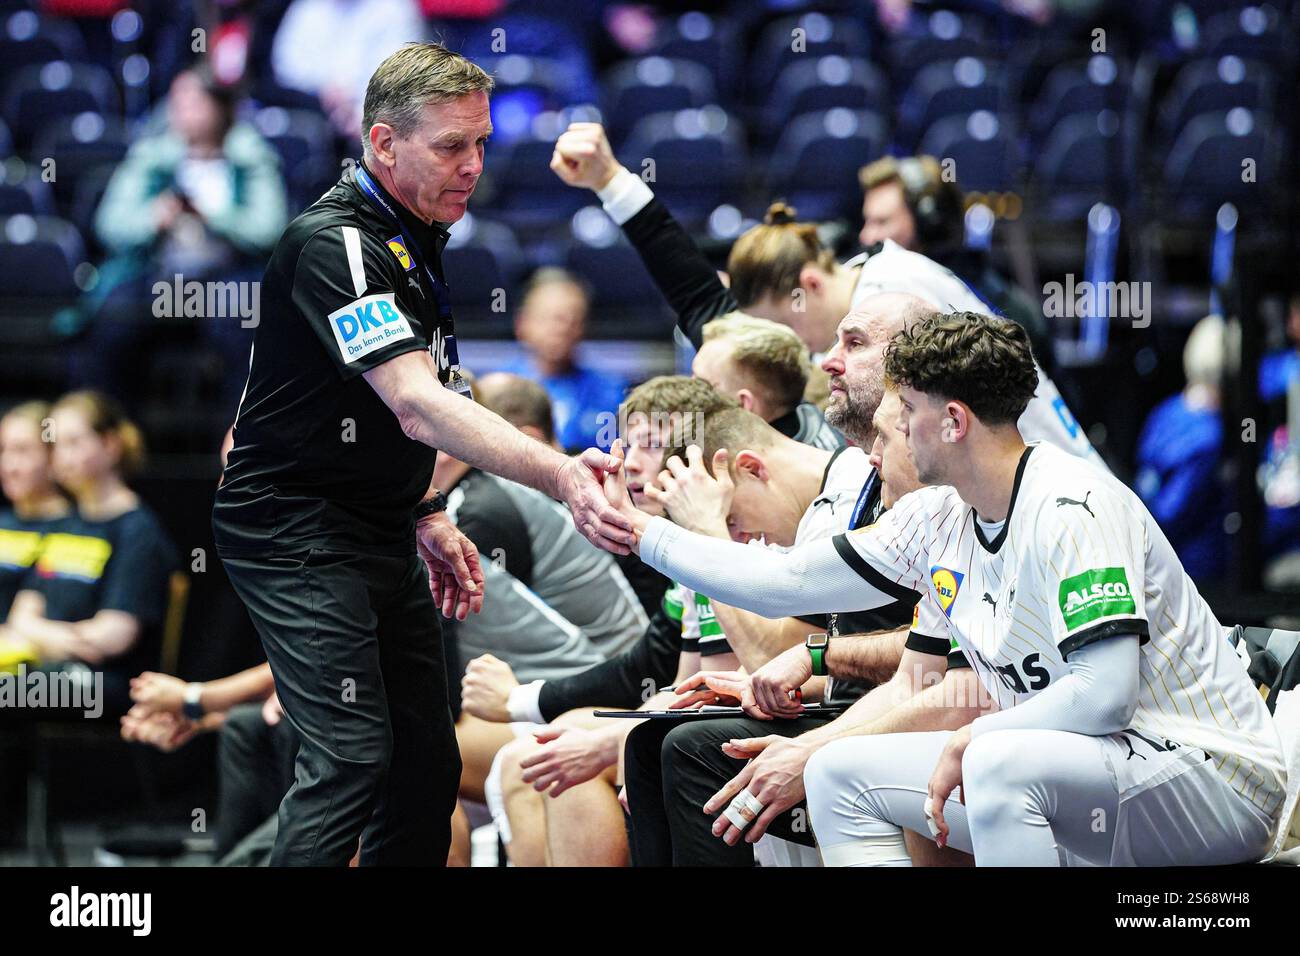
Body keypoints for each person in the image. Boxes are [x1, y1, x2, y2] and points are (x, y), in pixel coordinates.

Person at [601, 312, 1286, 867]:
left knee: (997, 758)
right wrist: (642, 532)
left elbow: (1104, 694)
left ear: (952, 421)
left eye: (903, 409)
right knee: (840, 774)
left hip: (1211, 777)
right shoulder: (939, 515)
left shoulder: (1072, 503)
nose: (887, 428)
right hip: (1088, 768)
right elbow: (787, 582)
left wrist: (979, 735)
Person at [212, 42, 633, 867]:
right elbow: (414, 402)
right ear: (382, 144)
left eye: (480, 144)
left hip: (377, 521)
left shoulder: (415, 230)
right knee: (348, 759)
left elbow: (412, 394)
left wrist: (426, 508)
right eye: (451, 146)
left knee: (425, 762)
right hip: (295, 527)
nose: (473, 165)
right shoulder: (339, 244)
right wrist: (558, 473)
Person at [549, 121, 1096, 464]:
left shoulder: (899, 300)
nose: (812, 356)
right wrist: (611, 182)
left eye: (783, 329)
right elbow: (702, 301)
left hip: (1054, 500)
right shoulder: (871, 275)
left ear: (807, 288)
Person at [549, 124, 841, 452]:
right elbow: (691, 286)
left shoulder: (820, 466)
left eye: (703, 388)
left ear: (746, 405)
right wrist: (608, 180)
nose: (692, 395)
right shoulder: (748, 376)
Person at [72, 66, 288, 425]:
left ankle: (239, 443)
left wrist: (213, 216)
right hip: (161, 278)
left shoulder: (250, 157)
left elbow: (269, 228)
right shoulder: (152, 157)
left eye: (194, 101)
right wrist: (153, 218)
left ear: (220, 107)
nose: (182, 110)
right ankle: (115, 437)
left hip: (226, 277)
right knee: (113, 318)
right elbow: (109, 226)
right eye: (177, 101)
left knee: (241, 319)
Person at [4, 392, 179, 721]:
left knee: (6, 690)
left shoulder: (137, 529)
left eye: (74, 443)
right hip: (51, 670)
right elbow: (21, 616)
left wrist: (42, 635)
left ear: (110, 446)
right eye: (56, 446)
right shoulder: (67, 524)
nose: (62, 457)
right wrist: (69, 639)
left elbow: (112, 638)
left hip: (109, 683)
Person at [1134, 315, 1238, 582]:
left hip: (1146, 551)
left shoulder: (1166, 411)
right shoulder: (1209, 437)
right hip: (1192, 572)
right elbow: (1171, 514)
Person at [497, 269, 628, 453]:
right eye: (552, 318)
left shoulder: (613, 393)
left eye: (573, 320)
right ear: (522, 323)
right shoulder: (495, 390)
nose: (562, 328)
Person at [692, 314, 842, 451]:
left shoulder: (792, 475)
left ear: (743, 405)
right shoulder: (796, 414)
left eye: (699, 385)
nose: (687, 389)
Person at [0, 403, 72, 627]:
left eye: (22, 451)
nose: (8, 465)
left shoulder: (79, 528)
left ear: (53, 458)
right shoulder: (3, 521)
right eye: (3, 450)